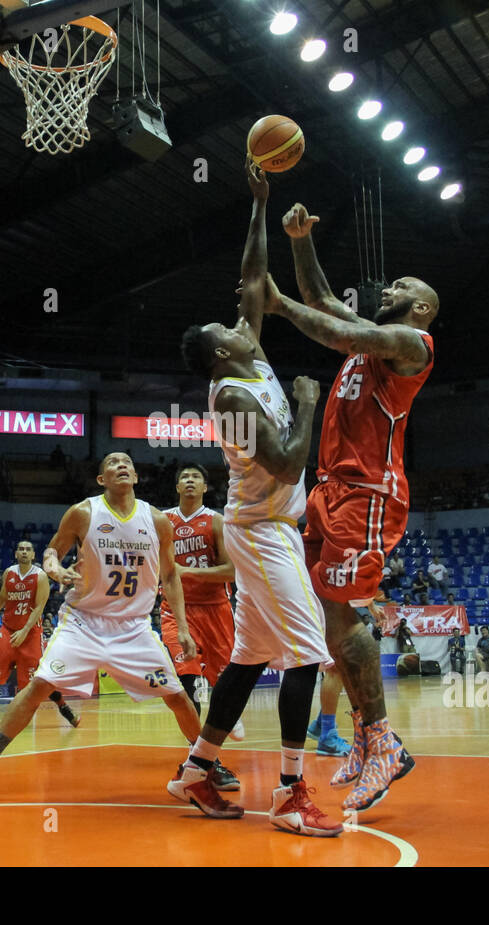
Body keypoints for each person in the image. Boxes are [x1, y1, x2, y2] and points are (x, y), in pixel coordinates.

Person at [170, 166, 340, 837]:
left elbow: (250, 279)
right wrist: (307, 403)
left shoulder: (247, 357)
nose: (243, 317)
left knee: (248, 658)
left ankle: (196, 770)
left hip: (269, 527)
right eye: (229, 323)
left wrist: (258, 205)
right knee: (306, 654)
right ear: (219, 349)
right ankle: (292, 793)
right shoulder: (234, 396)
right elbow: (289, 459)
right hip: (263, 530)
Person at [269, 195, 438, 813]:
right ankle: (371, 741)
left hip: (367, 494)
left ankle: (383, 742)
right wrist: (298, 241)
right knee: (330, 622)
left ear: (420, 307)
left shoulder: (411, 342)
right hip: (329, 490)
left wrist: (276, 304)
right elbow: (325, 306)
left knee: (343, 617)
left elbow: (337, 326)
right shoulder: (367, 344)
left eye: (399, 285)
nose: (385, 287)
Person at [0, 454, 203, 796]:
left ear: (135, 475)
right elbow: (52, 552)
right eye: (112, 462)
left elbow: (171, 576)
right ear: (102, 479)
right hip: (84, 622)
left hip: (133, 627)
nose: (120, 464)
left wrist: (185, 628)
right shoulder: (83, 512)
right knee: (39, 686)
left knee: (177, 696)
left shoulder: (157, 520)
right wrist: (55, 569)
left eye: (127, 462)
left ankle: (206, 761)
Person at [158, 465, 242, 736]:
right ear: (177, 487)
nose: (190, 480)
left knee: (223, 679)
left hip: (215, 609)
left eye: (196, 477)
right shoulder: (162, 520)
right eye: (184, 477)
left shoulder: (216, 521)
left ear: (205, 487)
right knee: (188, 678)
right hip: (176, 610)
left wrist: (187, 571)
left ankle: (227, 715)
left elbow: (231, 571)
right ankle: (195, 747)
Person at [0, 539, 79, 730]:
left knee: (38, 680)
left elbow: (39, 608)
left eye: (28, 550)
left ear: (33, 555)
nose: (24, 552)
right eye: (21, 549)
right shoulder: (9, 573)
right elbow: (2, 598)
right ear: (16, 554)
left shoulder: (40, 576)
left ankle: (63, 707)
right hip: (8, 630)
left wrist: (24, 631)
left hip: (30, 633)